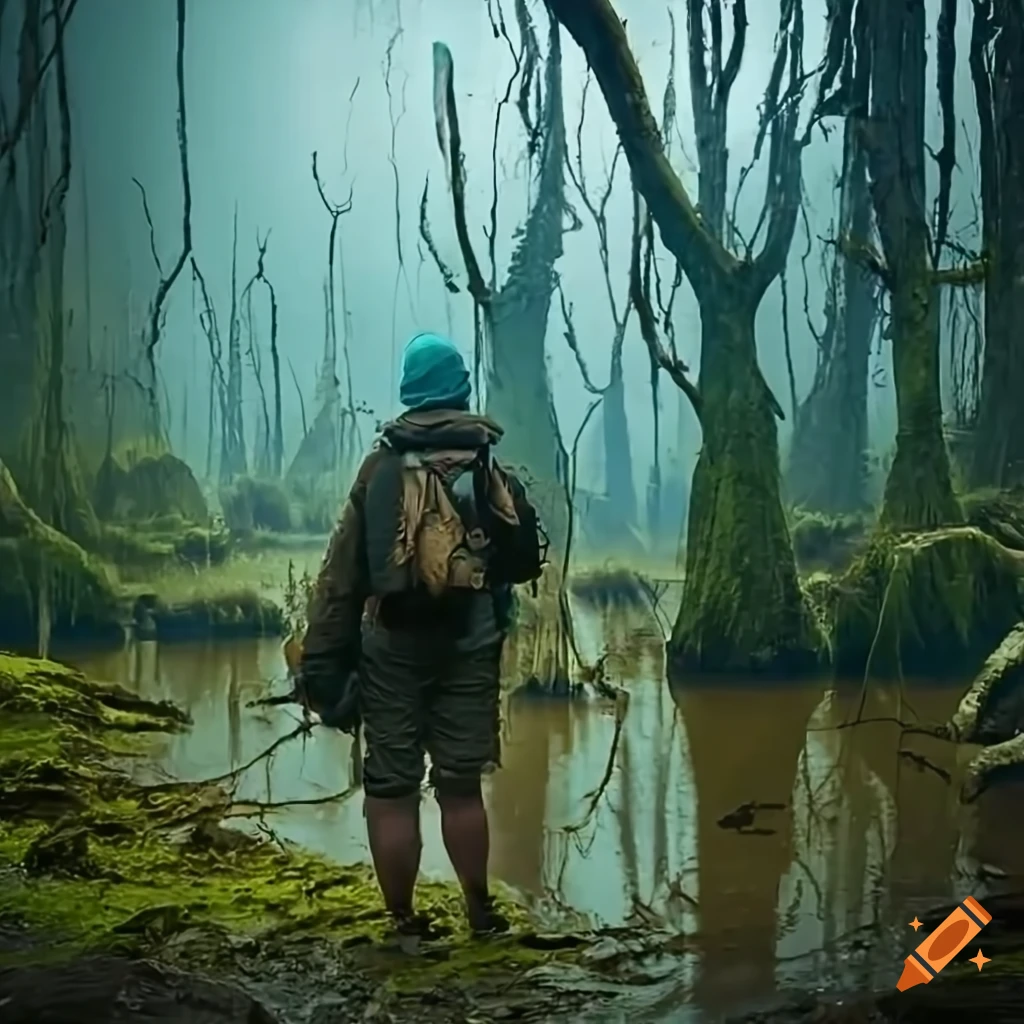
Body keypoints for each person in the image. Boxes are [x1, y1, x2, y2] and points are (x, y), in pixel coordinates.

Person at [298, 331, 545, 942]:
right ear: (461, 388)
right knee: (461, 787)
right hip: (471, 643)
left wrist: (321, 664)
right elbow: (520, 563)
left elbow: (343, 575)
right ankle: (480, 910)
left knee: (392, 789)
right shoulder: (486, 460)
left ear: (409, 392)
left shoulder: (382, 467)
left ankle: (405, 923)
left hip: (392, 648)